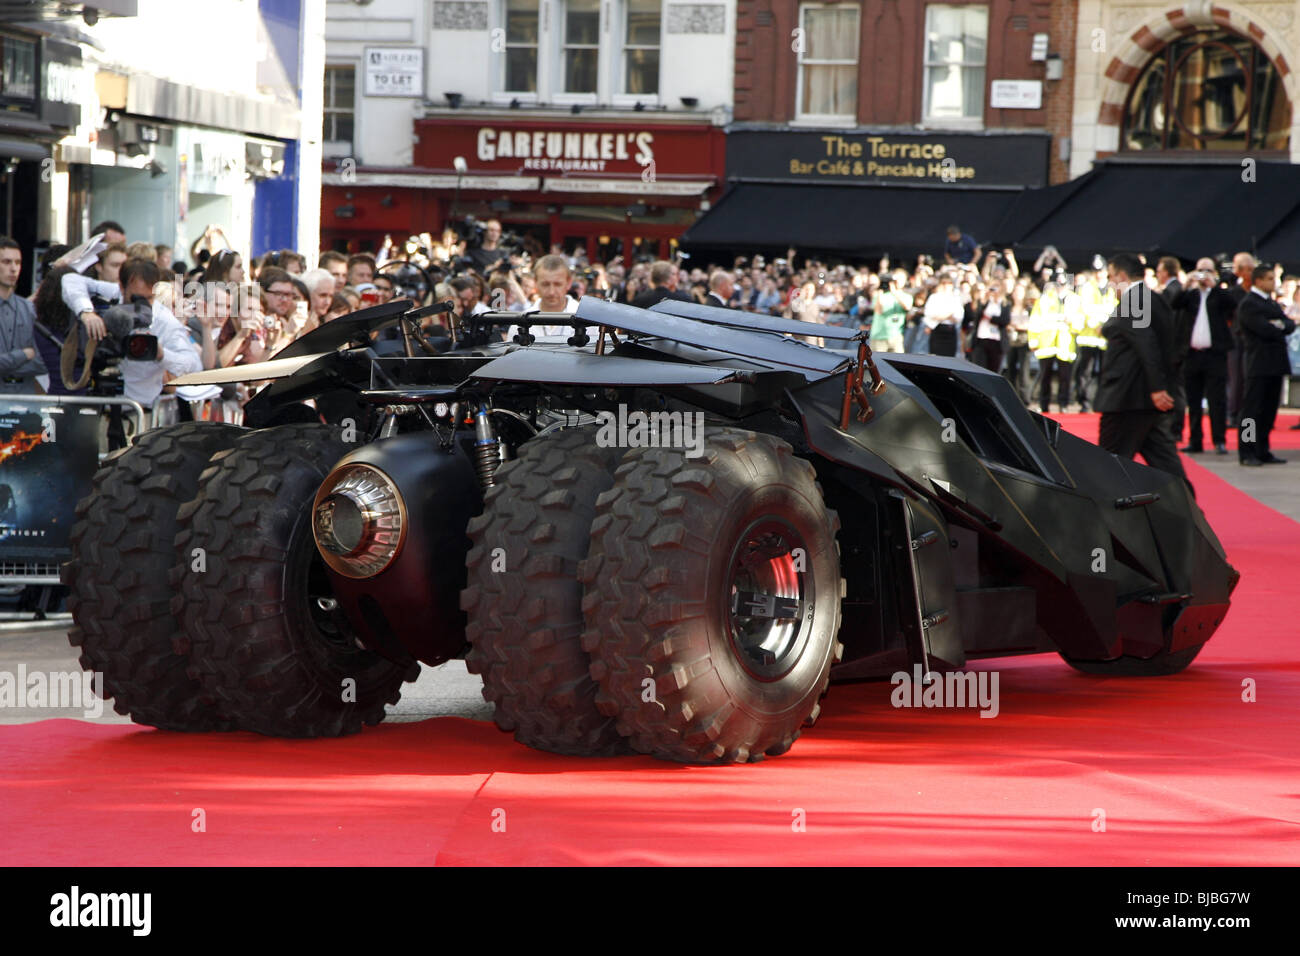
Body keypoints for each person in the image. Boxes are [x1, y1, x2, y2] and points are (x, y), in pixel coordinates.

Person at [1095, 254, 1187, 484]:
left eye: (1111, 277)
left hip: (1128, 398)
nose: (1109, 284)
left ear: (1122, 276)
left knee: (1108, 465)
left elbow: (1147, 344)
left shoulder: (1135, 299)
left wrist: (1157, 388)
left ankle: (1105, 515)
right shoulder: (1152, 299)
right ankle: (1189, 514)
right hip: (1143, 399)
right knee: (1166, 465)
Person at [1171, 258, 1233, 454]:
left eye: (1207, 271)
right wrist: (1186, 284)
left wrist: (1214, 287)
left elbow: (1232, 304)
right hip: (1192, 355)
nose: (1203, 275)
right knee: (1193, 400)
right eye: (1200, 270)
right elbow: (1174, 304)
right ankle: (1195, 440)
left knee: (1217, 400)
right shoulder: (1191, 296)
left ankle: (1219, 440)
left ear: (1214, 272)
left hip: (1215, 355)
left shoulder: (1219, 295)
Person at [1235, 263, 1294, 465]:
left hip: (1275, 363)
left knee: (1268, 410)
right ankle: (1247, 451)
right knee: (1252, 411)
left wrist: (1278, 324)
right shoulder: (1249, 303)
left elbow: (1288, 324)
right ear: (1258, 280)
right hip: (1258, 364)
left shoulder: (1271, 303)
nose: (1273, 282)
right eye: (1269, 278)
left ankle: (1262, 449)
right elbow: (1264, 329)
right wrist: (1278, 325)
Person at [0, 237, 47, 393]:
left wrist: (5, 367)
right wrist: (22, 355)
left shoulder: (29, 309)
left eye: (18, 263)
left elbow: (43, 361)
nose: (13, 268)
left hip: (24, 401)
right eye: (6, 262)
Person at [923, 273, 964, 357]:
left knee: (949, 358)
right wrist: (947, 315)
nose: (946, 286)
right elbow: (930, 314)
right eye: (943, 284)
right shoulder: (934, 297)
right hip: (937, 329)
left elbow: (958, 316)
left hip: (950, 331)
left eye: (948, 284)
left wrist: (942, 315)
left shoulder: (955, 299)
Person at [869, 275, 911, 353]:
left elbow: (907, 306)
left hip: (896, 336)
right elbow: (878, 311)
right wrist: (880, 291)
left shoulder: (906, 296)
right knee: (877, 363)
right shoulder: (881, 296)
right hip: (879, 336)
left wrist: (894, 292)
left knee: (898, 362)